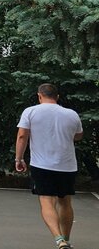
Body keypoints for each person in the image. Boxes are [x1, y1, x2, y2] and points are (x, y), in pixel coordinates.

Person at [15, 83, 84, 249]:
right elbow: (79, 136)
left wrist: (19, 158)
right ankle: (66, 238)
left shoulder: (30, 112)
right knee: (65, 202)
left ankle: (59, 240)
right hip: (67, 165)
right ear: (57, 97)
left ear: (39, 96)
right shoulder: (71, 114)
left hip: (42, 165)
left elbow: (22, 135)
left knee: (47, 201)